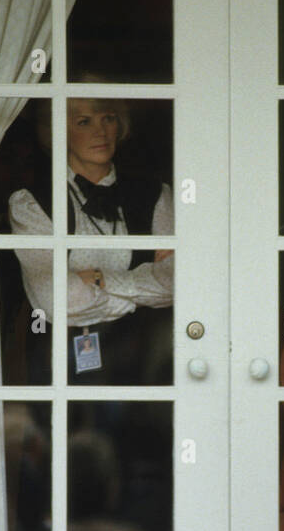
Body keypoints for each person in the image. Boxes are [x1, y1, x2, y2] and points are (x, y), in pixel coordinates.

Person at [9, 96, 174, 386]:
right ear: (59, 131)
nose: (100, 132)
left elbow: (175, 282)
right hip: (59, 355)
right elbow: (58, 298)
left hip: (141, 353)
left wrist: (98, 279)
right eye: (84, 122)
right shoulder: (31, 203)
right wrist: (141, 287)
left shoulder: (155, 194)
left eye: (108, 118)